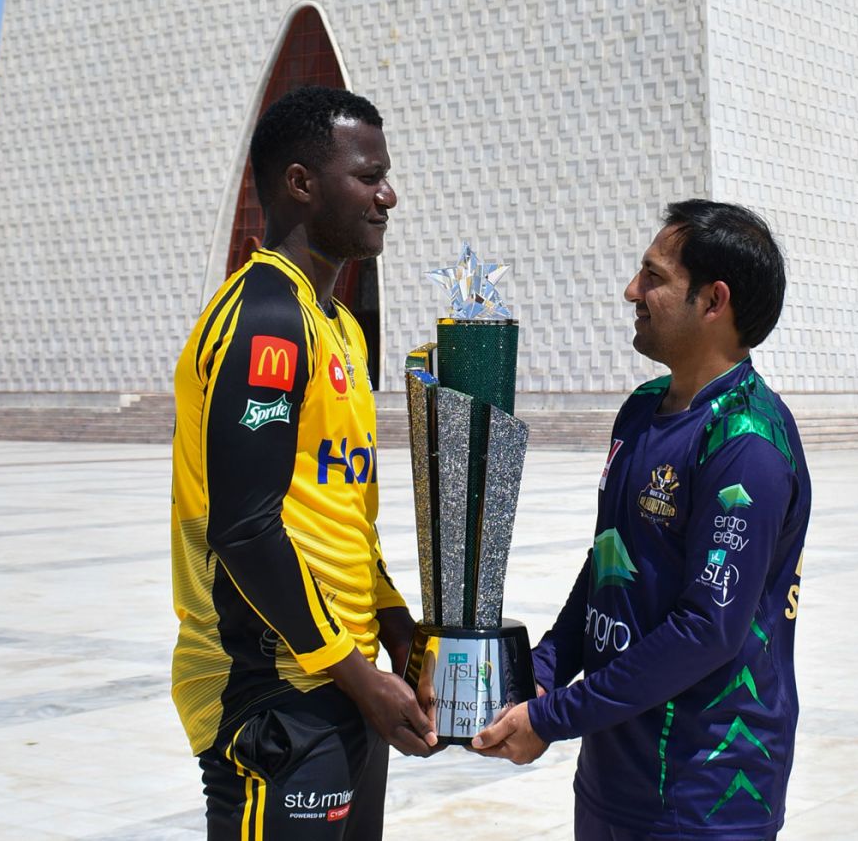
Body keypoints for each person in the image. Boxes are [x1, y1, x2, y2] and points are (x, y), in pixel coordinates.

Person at [473, 200, 810, 841]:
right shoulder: (642, 410)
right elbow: (609, 563)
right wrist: (543, 672)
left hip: (705, 795)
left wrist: (554, 718)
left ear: (714, 301)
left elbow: (706, 630)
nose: (632, 290)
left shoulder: (747, 443)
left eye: (653, 277)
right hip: (612, 784)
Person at [171, 86, 437, 839]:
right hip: (272, 689)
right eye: (369, 174)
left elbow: (343, 512)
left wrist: (396, 627)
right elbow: (245, 530)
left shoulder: (341, 328)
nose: (389, 194)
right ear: (300, 183)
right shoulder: (263, 321)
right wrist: (359, 676)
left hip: (344, 683)